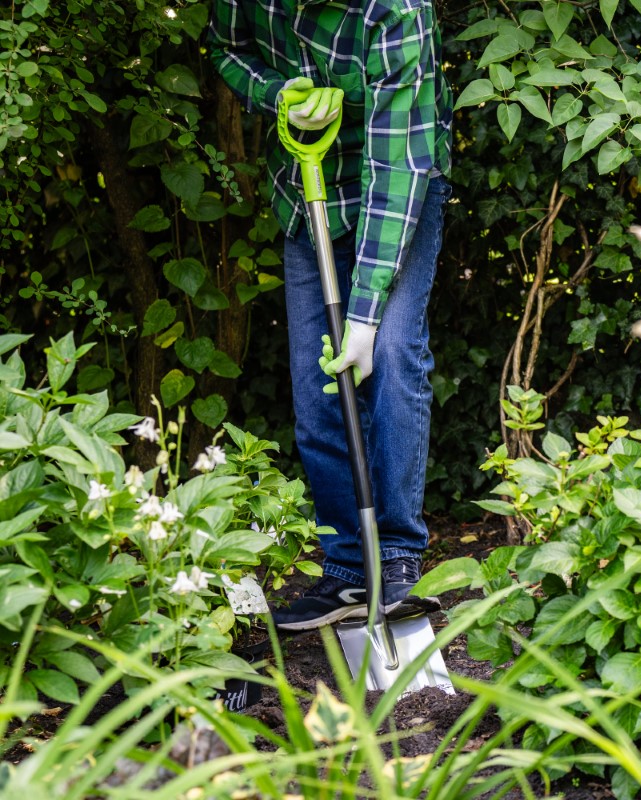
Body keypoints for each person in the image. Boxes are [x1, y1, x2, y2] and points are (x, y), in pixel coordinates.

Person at [207, 0, 453, 631]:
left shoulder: (396, 11)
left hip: (397, 183)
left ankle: (395, 558)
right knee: (318, 387)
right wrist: (275, 92)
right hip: (304, 189)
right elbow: (227, 50)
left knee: (393, 352)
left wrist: (364, 319)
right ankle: (348, 571)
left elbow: (398, 166)